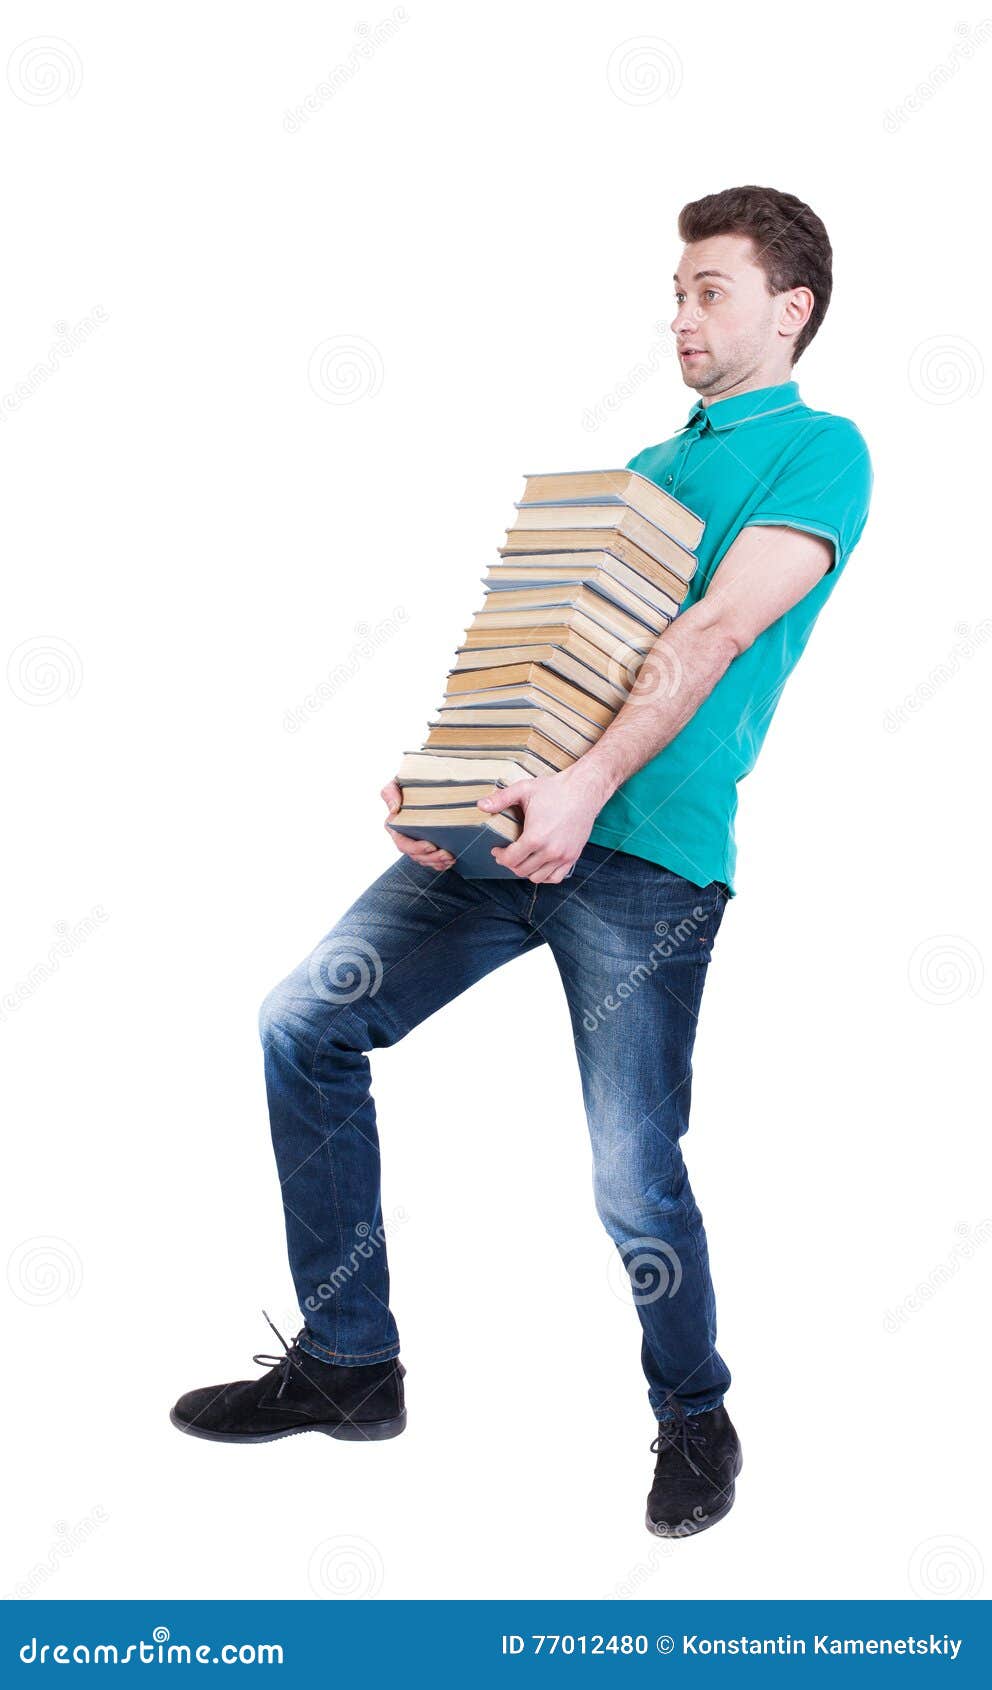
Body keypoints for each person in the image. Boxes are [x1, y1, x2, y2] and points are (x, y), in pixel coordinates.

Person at [171, 184, 873, 1538]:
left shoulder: (821, 451)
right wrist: (451, 785)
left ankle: (693, 1413)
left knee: (630, 1167)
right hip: (507, 833)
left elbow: (717, 630)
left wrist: (589, 786)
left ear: (790, 310)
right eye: (676, 289)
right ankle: (351, 1362)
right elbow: (549, 667)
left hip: (645, 859)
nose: (681, 313)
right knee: (303, 1021)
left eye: (710, 289)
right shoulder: (644, 476)